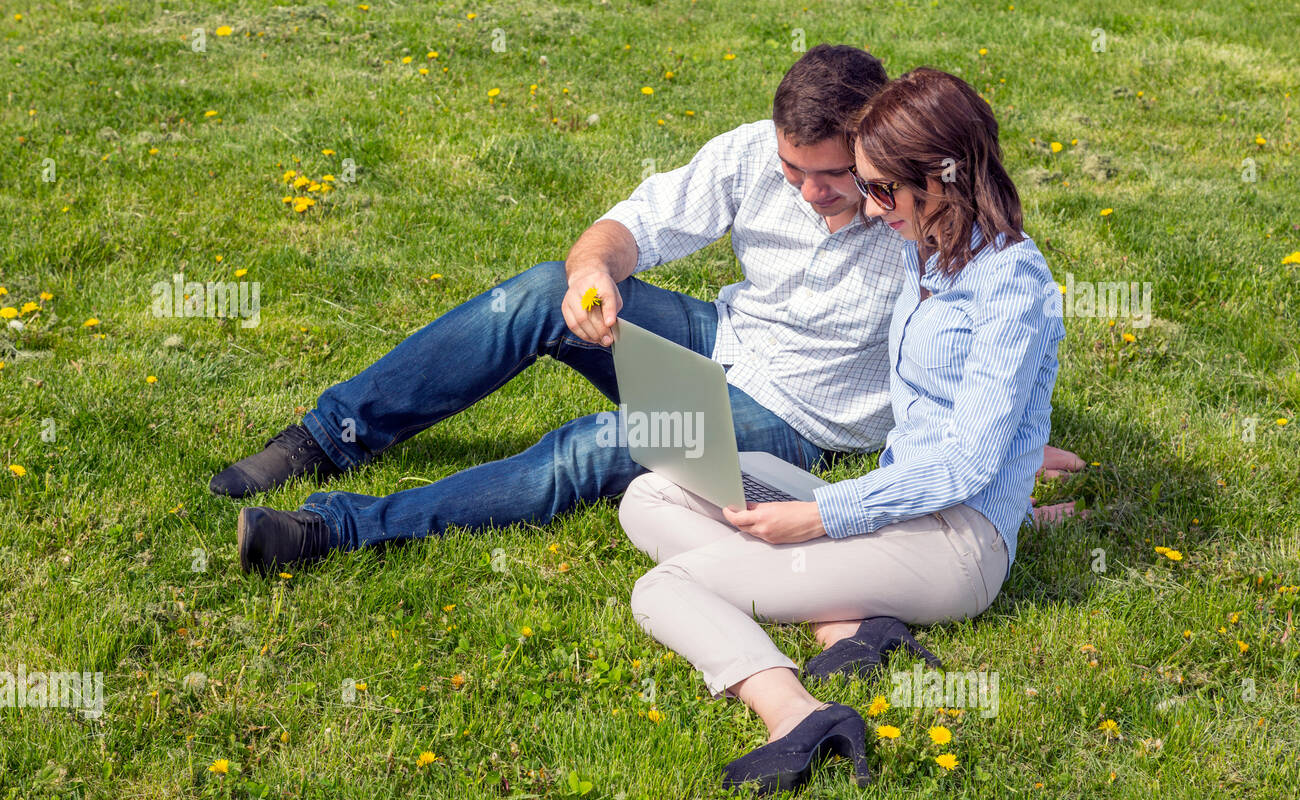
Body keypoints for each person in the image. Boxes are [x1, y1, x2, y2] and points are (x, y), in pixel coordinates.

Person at [211, 45, 1082, 575]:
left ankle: (339, 528)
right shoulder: (750, 156)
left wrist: (1004, 447)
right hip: (723, 340)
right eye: (794, 171)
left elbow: (985, 338)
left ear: (878, 151)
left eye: (834, 176)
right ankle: (326, 439)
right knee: (537, 294)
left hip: (795, 416)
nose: (813, 191)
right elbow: (632, 226)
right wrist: (593, 272)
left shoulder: (916, 214)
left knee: (602, 446)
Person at [617, 67, 1068, 794]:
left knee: (664, 588)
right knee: (651, 494)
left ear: (942, 178)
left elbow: (967, 462)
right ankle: (849, 629)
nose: (869, 205)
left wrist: (819, 518)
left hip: (951, 546)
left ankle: (797, 713)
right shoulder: (925, 243)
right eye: (866, 186)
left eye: (882, 189)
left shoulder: (1010, 287)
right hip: (891, 505)